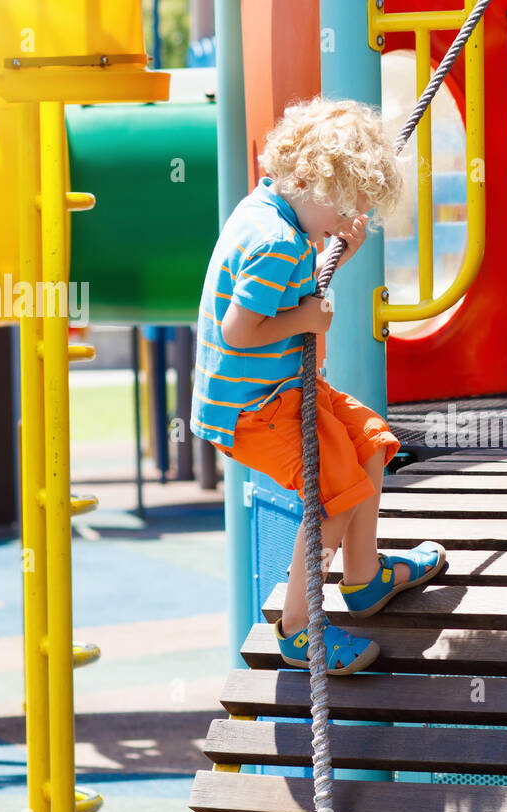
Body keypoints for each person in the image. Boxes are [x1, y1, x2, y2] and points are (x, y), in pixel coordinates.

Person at [191, 97, 445, 676]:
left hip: (281, 388)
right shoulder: (275, 241)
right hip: (253, 406)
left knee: (372, 441)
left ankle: (362, 577)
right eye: (347, 201)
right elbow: (239, 331)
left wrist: (341, 255)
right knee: (334, 494)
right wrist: (305, 322)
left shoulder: (270, 208)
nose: (353, 214)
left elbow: (291, 284)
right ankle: (298, 629)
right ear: (305, 178)